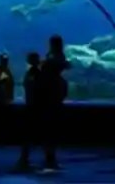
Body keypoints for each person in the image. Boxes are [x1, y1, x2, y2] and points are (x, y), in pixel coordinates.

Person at [37, 34, 71, 172]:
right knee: (50, 130)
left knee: (51, 130)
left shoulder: (52, 57)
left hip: (53, 97)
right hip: (52, 98)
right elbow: (64, 65)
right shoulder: (54, 58)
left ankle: (50, 157)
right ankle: (49, 158)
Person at [15, 52, 41, 172]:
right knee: (29, 134)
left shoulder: (31, 73)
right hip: (33, 106)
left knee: (28, 134)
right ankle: (24, 159)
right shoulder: (36, 73)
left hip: (31, 105)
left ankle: (24, 158)